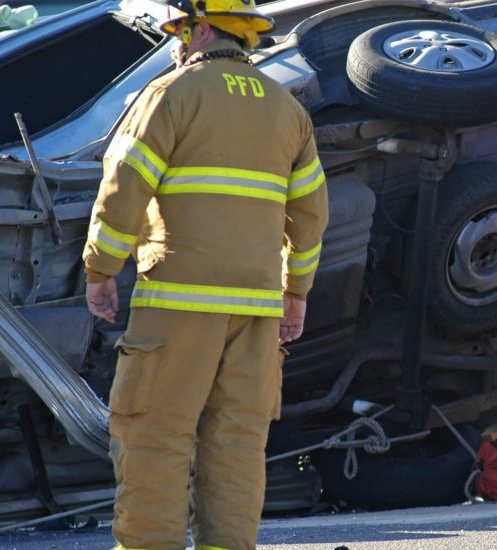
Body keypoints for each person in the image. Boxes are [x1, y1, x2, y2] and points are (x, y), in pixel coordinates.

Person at [82, 0, 328, 547]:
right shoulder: (286, 109)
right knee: (237, 445)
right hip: (257, 313)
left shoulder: (170, 93)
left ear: (203, 28)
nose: (174, 44)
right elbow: (311, 215)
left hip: (177, 304)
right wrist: (296, 293)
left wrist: (101, 269)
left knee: (154, 437)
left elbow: (125, 185)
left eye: (179, 31)